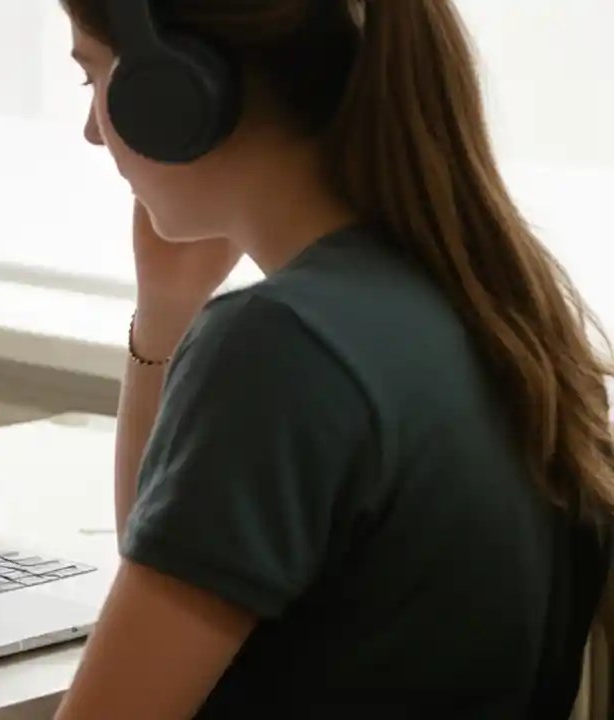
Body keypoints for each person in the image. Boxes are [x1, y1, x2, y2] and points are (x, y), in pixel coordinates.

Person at [51, 1, 614, 717]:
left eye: (93, 81)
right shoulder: (501, 312)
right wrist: (166, 310)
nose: (94, 131)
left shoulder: (280, 349)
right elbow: (166, 553)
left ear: (174, 90)